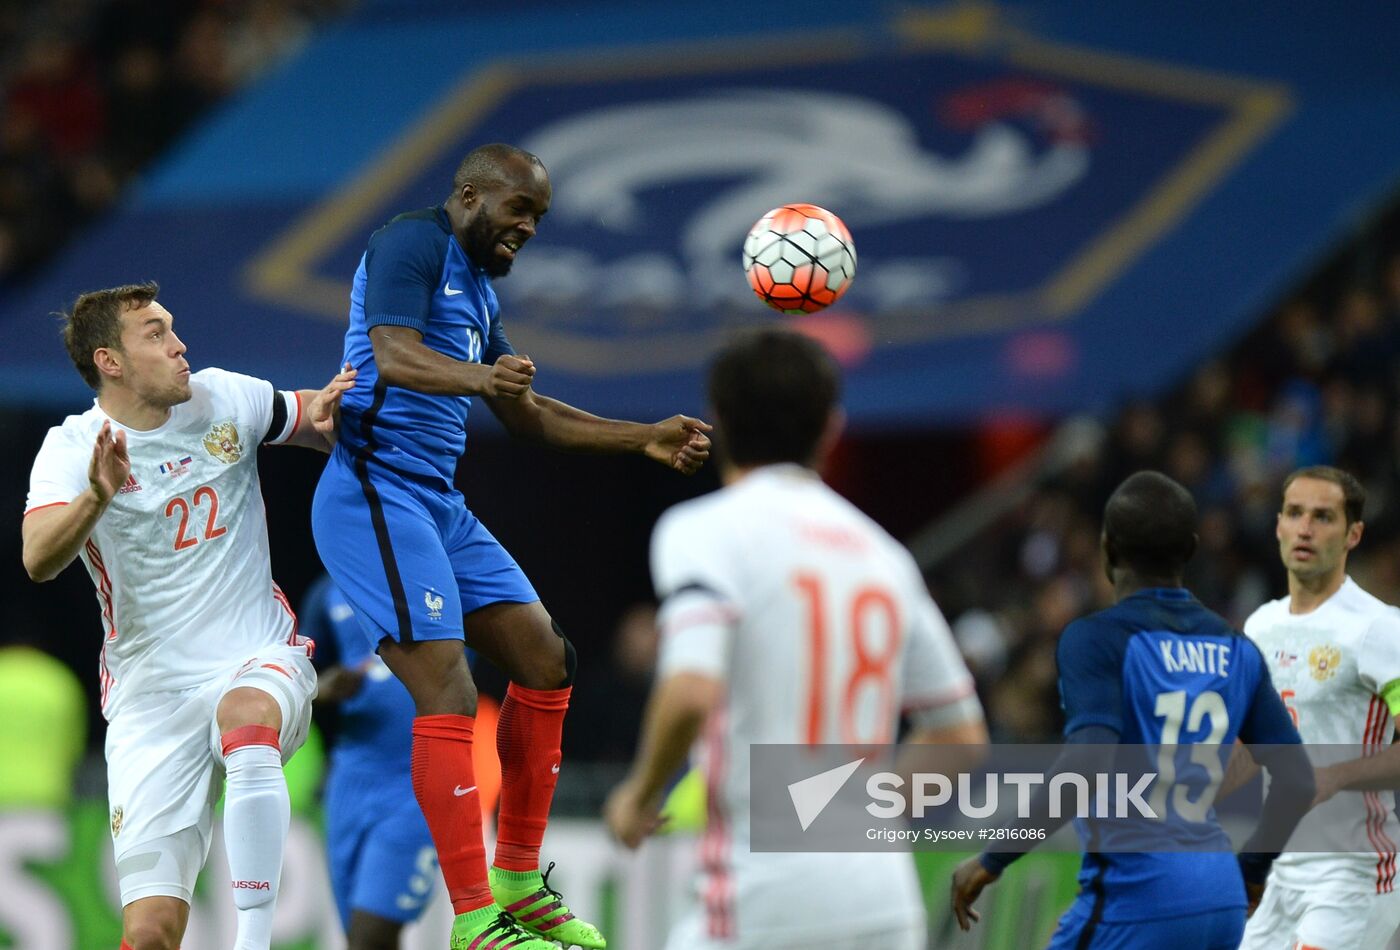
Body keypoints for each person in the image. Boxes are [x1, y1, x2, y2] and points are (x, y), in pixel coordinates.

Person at [310, 142, 711, 950]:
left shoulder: (481, 296)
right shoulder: (410, 243)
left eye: (539, 218)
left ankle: (521, 884)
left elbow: (528, 415)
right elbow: (392, 353)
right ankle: (474, 920)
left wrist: (642, 439)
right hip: (374, 490)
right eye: (518, 209)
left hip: (435, 502)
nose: (527, 228)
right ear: (468, 195)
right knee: (451, 691)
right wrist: (480, 381)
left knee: (545, 659)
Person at [603, 327, 988, 949]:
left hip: (761, 901)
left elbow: (691, 691)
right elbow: (960, 738)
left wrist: (637, 794)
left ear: (720, 421)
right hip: (884, 906)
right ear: (831, 429)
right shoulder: (884, 555)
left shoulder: (705, 531)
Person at [20, 281, 355, 950]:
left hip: (255, 654)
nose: (180, 345)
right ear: (110, 361)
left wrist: (344, 406)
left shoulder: (225, 396)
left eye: (172, 328)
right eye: (156, 334)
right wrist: (96, 497)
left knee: (248, 718)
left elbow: (312, 418)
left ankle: (253, 942)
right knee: (149, 933)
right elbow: (38, 559)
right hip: (151, 700)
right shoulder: (73, 449)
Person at [950, 470, 1314, 949]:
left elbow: (1085, 765)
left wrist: (992, 858)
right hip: (1220, 901)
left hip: (1137, 895)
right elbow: (1298, 778)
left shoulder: (1097, 639)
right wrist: (1252, 869)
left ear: (1107, 549)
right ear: (1191, 549)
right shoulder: (1237, 648)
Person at [1237, 466, 1400, 949]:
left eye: (1324, 517)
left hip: (1354, 872)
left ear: (1353, 535)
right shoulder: (1259, 627)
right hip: (1277, 872)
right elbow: (1250, 750)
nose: (1306, 528)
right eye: (1295, 513)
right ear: (1278, 525)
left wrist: (1334, 777)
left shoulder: (1379, 629)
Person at [303, 572, 498, 949]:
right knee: (359, 937)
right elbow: (300, 679)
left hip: (420, 783)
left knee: (369, 935)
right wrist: (322, 689)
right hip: (350, 781)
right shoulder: (327, 593)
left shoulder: (444, 579)